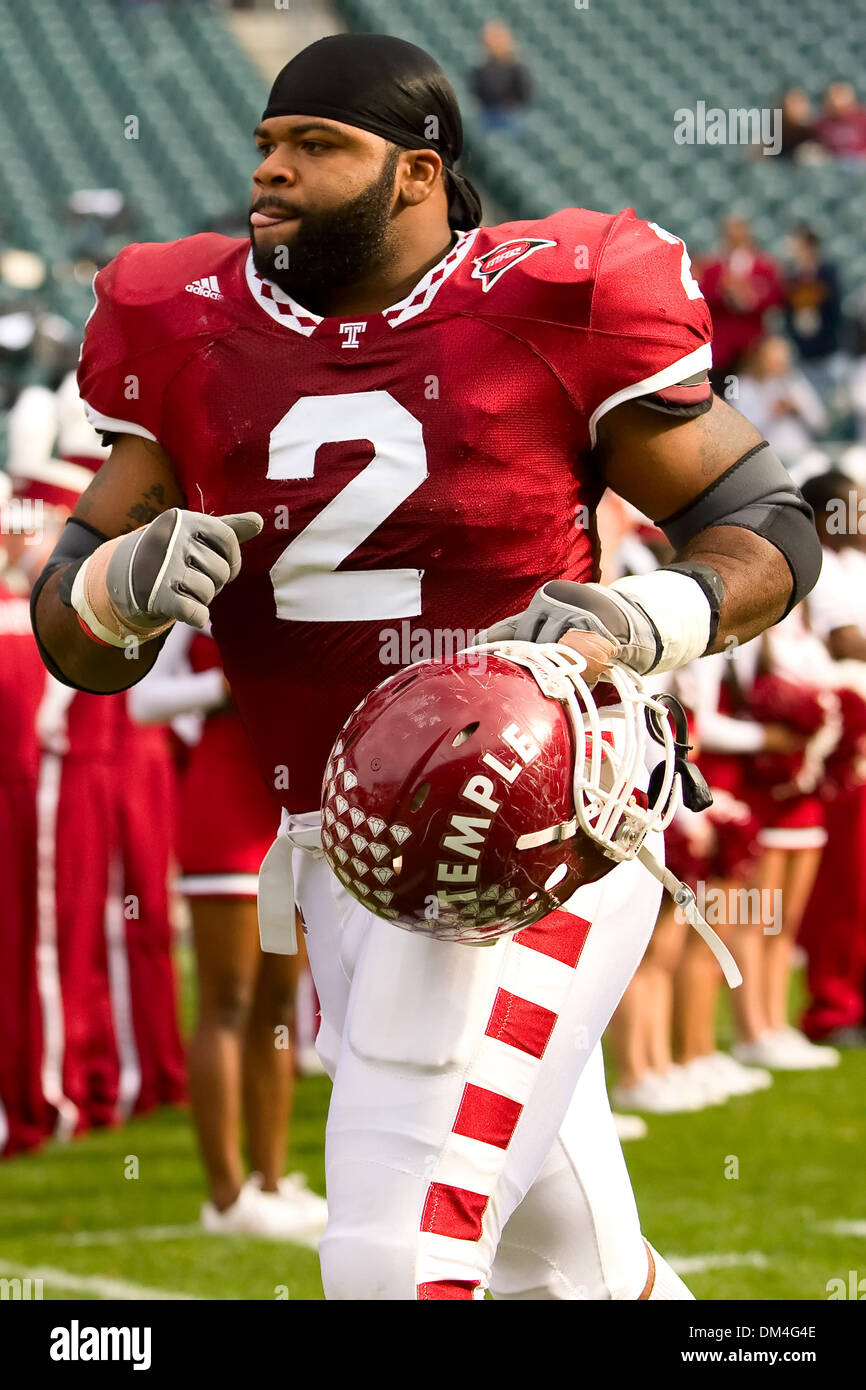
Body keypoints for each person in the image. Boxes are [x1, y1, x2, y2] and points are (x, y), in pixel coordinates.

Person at [31, 33, 820, 1300]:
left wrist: (650, 616)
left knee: (397, 1257)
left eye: (317, 146)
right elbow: (72, 631)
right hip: (338, 848)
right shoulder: (179, 324)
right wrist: (114, 588)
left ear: (417, 174)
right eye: (266, 146)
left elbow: (769, 527)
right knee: (565, 1266)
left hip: (536, 821)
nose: (271, 173)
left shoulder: (557, 296)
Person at [129, 624, 328, 1238]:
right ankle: (225, 1197)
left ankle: (269, 1181)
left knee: (278, 1003)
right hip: (225, 798)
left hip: (293, 802)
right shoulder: (195, 589)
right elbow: (142, 701)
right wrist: (224, 684)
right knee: (228, 1001)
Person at [698, 215, 784, 386]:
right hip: (721, 349)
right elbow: (704, 297)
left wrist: (748, 295)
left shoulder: (763, 266)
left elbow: (774, 298)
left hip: (751, 348)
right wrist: (725, 290)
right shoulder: (714, 267)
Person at [735, 335, 828, 467]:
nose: (780, 364)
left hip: (801, 454)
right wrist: (772, 412)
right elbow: (740, 430)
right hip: (763, 457)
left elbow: (820, 422)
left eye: (783, 359)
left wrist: (798, 408)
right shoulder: (744, 385)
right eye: (774, 359)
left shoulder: (795, 381)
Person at [470, 21, 532, 132]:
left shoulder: (516, 66)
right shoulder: (482, 67)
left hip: (511, 114)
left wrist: (510, 103)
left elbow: (524, 92)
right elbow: (477, 91)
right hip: (488, 114)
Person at [814, 82, 866, 161]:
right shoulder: (824, 122)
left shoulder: (862, 119)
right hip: (833, 163)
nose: (838, 104)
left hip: (860, 162)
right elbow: (820, 146)